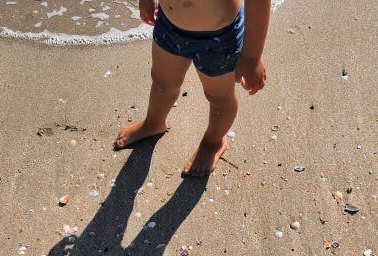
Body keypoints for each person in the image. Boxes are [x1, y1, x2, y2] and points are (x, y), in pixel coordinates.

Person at [114, 0, 270, 177]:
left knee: (219, 97)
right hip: (169, 26)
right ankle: (154, 123)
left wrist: (251, 57)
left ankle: (214, 142)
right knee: (162, 82)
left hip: (220, 38)